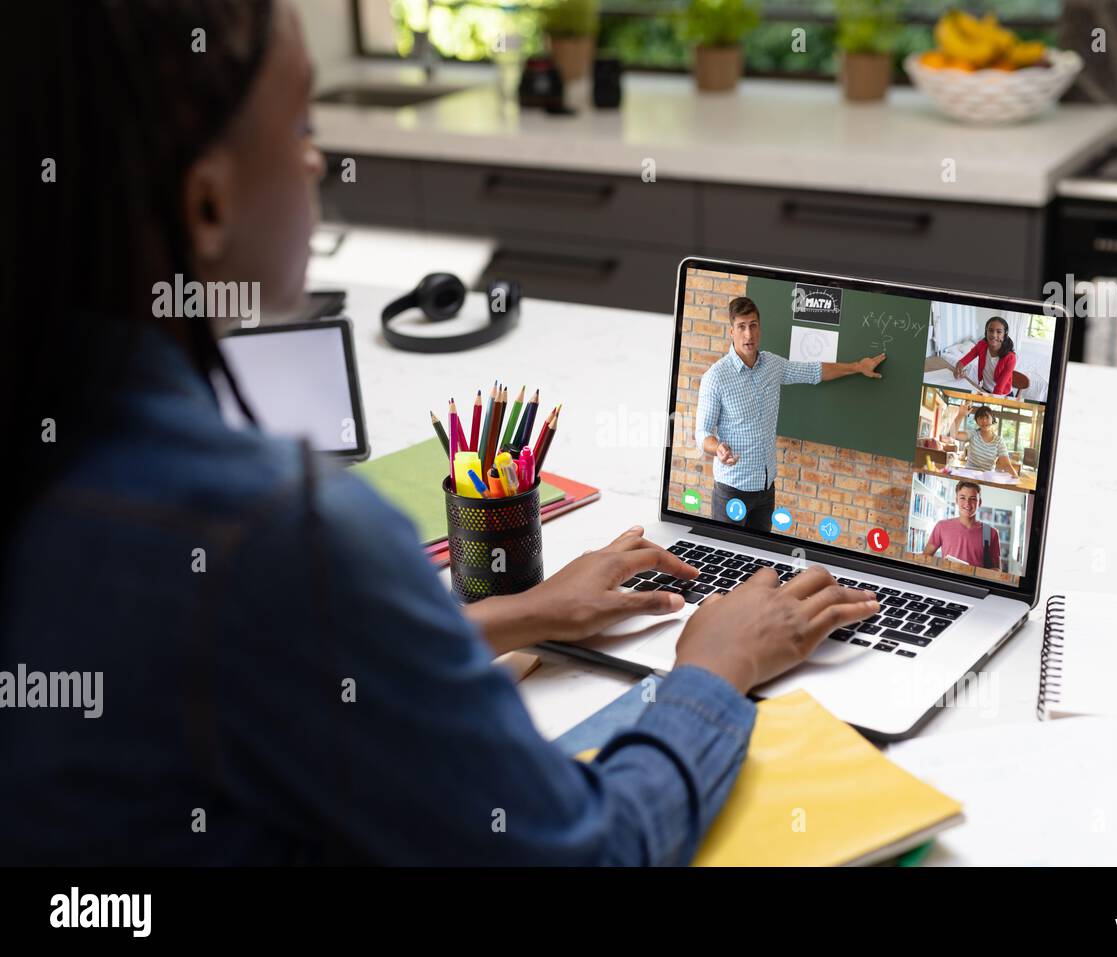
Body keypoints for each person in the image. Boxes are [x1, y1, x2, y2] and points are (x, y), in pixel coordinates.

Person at [0, 0, 882, 865]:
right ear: (207, 205)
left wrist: (527, 612)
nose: (318, 159)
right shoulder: (278, 537)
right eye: (301, 125)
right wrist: (712, 673)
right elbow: (590, 849)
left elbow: (280, 672)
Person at [694, 296, 886, 530]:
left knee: (760, 561)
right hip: (732, 490)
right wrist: (718, 449)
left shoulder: (773, 365)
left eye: (753, 325)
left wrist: (857, 366)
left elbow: (815, 372)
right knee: (728, 555)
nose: (748, 334)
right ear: (731, 331)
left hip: (765, 490)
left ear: (760, 328)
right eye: (742, 327)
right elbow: (702, 433)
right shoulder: (716, 377)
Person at [922, 482, 1002, 570]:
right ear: (956, 500)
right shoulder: (941, 526)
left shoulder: (990, 533)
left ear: (979, 502)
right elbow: (925, 558)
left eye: (973, 499)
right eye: (962, 498)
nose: (967, 503)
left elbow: (996, 570)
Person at [947, 401, 1020, 478]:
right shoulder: (973, 434)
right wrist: (960, 414)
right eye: (981, 418)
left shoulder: (999, 441)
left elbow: (1006, 465)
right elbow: (953, 434)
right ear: (977, 421)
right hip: (969, 476)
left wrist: (1016, 477)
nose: (984, 421)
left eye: (987, 417)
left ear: (992, 419)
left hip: (987, 478)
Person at [954, 316, 1017, 397]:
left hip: (1003, 394)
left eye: (999, 332)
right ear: (986, 332)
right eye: (990, 330)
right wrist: (958, 369)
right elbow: (963, 361)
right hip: (985, 389)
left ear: (1005, 334)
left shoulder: (1011, 358)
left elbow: (999, 388)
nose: (994, 335)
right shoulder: (982, 345)